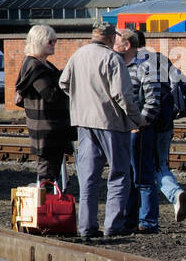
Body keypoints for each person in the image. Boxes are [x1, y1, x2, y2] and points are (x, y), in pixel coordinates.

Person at [59, 21, 142, 239]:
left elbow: (64, 83)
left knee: (88, 177)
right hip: (111, 123)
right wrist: (137, 119)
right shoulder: (112, 58)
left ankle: (86, 227)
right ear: (111, 36)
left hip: (84, 122)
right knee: (119, 174)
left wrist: (82, 100)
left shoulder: (78, 55)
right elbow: (122, 95)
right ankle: (113, 226)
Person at [128, 33, 186, 227]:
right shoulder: (161, 58)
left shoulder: (133, 62)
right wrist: (178, 113)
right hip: (165, 122)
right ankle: (173, 196)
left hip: (145, 123)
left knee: (143, 170)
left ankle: (172, 195)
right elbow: (185, 85)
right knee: (159, 164)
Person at [115, 29, 164, 234]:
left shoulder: (145, 67)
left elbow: (153, 100)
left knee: (143, 177)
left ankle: (148, 221)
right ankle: (129, 220)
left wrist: (140, 123)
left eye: (116, 40)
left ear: (127, 45)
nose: (112, 42)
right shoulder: (115, 66)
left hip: (139, 131)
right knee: (127, 176)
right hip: (121, 130)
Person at [15, 24, 74, 188]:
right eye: (50, 41)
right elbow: (50, 94)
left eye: (55, 40)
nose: (54, 44)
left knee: (50, 171)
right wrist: (66, 82)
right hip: (46, 128)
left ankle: (47, 204)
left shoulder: (42, 64)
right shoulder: (35, 66)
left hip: (50, 127)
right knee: (47, 174)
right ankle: (46, 208)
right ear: (40, 41)